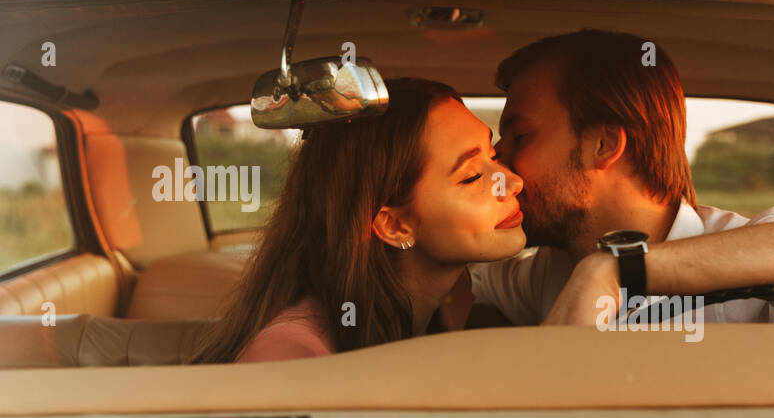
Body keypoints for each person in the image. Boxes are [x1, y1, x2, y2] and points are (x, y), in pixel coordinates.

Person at [471, 29, 774, 326]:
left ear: (604, 145)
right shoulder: (541, 272)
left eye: (520, 136)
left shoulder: (765, 274)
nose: (500, 162)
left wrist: (618, 269)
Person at [190, 78, 526, 363]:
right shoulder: (292, 352)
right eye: (470, 177)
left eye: (493, 155)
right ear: (394, 226)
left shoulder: (463, 301)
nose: (512, 181)